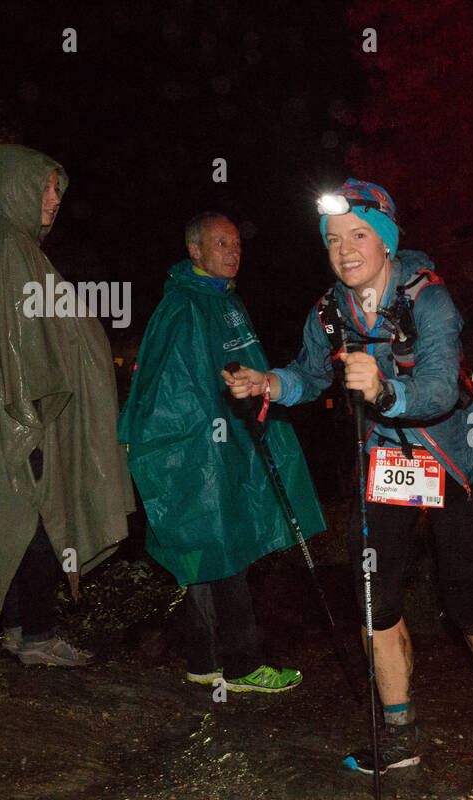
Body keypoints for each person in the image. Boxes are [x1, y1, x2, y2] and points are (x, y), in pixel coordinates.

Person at [225, 178, 473, 771]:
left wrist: (386, 391)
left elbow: (440, 388)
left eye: (359, 235)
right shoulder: (327, 311)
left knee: (463, 600)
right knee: (376, 603)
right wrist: (268, 383)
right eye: (334, 239)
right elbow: (310, 376)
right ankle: (399, 733)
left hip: (453, 459)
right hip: (385, 464)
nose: (344, 249)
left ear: (386, 241)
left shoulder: (430, 301)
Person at [118, 212, 324, 692]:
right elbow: (167, 387)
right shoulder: (183, 306)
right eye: (221, 244)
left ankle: (203, 659)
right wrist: (202, 446)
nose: (233, 252)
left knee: (210, 549)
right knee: (224, 544)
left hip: (230, 441)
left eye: (237, 243)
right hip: (202, 449)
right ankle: (243, 664)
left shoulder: (223, 300)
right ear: (195, 250)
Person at [0, 144, 133, 666]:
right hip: (29, 415)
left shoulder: (1, 245)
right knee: (41, 518)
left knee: (18, 517)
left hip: (15, 412)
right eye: (47, 188)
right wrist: (41, 406)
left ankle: (18, 627)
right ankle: (37, 635)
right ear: (17, 187)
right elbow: (25, 341)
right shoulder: (11, 247)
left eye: (57, 189)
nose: (54, 199)